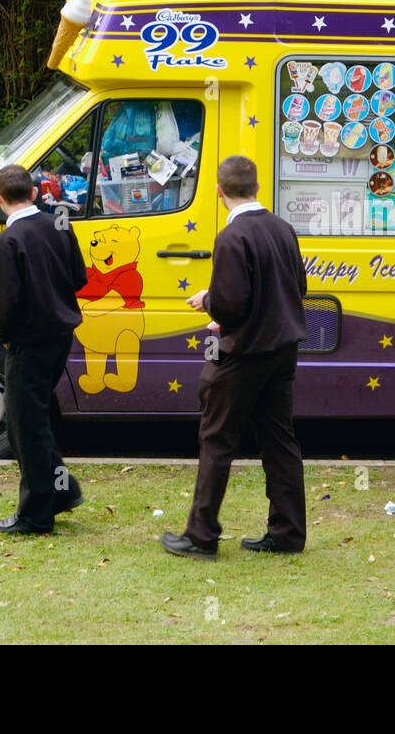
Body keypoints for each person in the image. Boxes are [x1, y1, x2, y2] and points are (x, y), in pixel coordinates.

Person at [161, 155, 309, 560]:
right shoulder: (283, 229)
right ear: (258, 187)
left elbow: (229, 304)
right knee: (280, 440)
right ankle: (288, 533)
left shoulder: (231, 238)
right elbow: (298, 285)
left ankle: (201, 536)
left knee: (217, 440)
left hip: (244, 352)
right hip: (283, 350)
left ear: (218, 190)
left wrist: (207, 301)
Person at [0, 164, 89, 533]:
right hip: (61, 337)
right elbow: (80, 277)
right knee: (33, 421)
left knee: (23, 427)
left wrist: (3, 335)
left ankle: (35, 514)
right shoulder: (59, 225)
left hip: (28, 343)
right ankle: (61, 490)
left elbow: (3, 300)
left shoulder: (6, 242)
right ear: (33, 193)